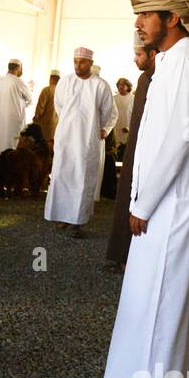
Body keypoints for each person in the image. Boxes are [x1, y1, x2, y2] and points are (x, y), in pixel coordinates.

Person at [98, 0, 189, 378]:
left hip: (168, 206)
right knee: (165, 299)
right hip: (166, 201)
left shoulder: (186, 62)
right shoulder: (175, 60)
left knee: (157, 302)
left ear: (173, 18)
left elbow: (178, 141)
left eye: (148, 14)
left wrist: (143, 203)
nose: (139, 23)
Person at [45, 47, 116, 238]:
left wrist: (103, 129)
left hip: (87, 141)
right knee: (62, 176)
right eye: (75, 61)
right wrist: (70, 124)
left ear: (91, 63)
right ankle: (61, 216)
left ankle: (77, 222)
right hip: (66, 139)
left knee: (82, 180)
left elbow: (110, 113)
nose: (78, 65)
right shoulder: (66, 82)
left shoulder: (100, 85)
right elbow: (60, 106)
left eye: (82, 62)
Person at [106, 34, 155, 271]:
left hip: (149, 156)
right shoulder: (146, 79)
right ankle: (125, 257)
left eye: (139, 54)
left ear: (153, 54)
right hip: (136, 153)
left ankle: (131, 260)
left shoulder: (156, 79)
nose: (135, 60)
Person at [0, 59, 31, 161]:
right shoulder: (18, 81)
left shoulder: (0, 81)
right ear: (18, 68)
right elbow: (29, 99)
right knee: (11, 143)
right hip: (13, 119)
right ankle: (8, 168)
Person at [32, 69, 60, 146]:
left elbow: (40, 107)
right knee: (51, 145)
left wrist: (36, 118)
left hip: (44, 124)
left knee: (42, 145)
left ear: (50, 78)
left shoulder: (47, 90)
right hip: (55, 123)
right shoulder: (62, 91)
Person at [112, 77, 133, 155]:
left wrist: (129, 127)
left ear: (128, 86)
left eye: (123, 85)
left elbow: (135, 115)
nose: (121, 87)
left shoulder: (133, 99)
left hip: (128, 129)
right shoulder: (113, 98)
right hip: (116, 129)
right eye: (119, 85)